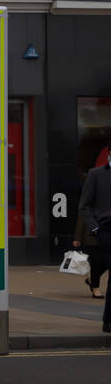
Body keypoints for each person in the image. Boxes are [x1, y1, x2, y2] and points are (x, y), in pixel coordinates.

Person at [76, 141, 111, 332]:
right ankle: (108, 321)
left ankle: (108, 321)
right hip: (106, 230)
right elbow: (84, 205)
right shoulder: (96, 174)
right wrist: (96, 229)